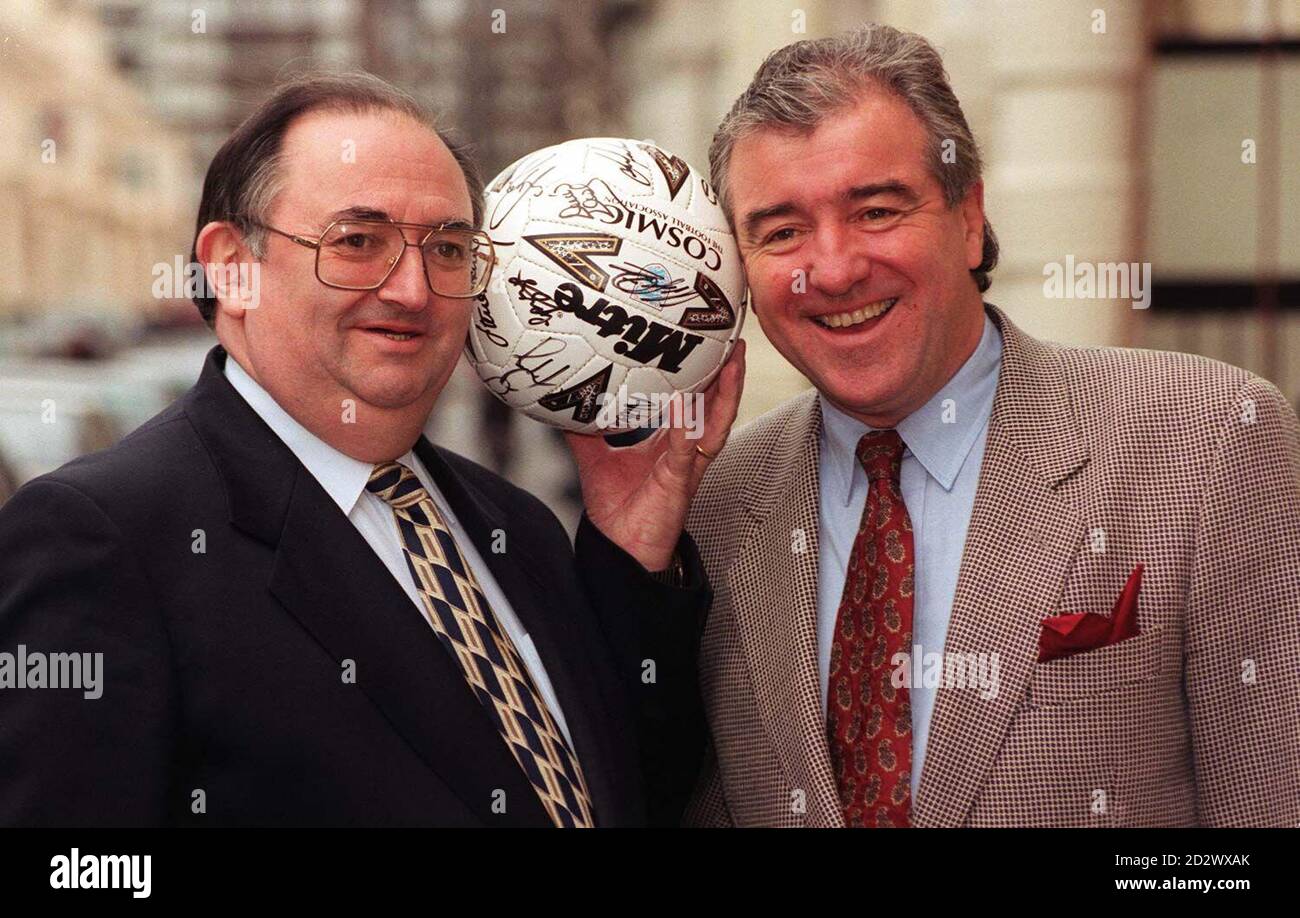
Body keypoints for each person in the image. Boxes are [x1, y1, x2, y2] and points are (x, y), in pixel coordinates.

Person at [0, 72, 743, 827]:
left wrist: (632, 553)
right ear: (230, 266)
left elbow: (623, 796)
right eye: (358, 242)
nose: (413, 290)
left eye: (450, 248)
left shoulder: (514, 525)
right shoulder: (106, 538)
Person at [683, 24, 1300, 827]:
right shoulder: (720, 503)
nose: (831, 268)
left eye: (876, 209)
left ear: (969, 217)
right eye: (782, 231)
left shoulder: (1211, 438)